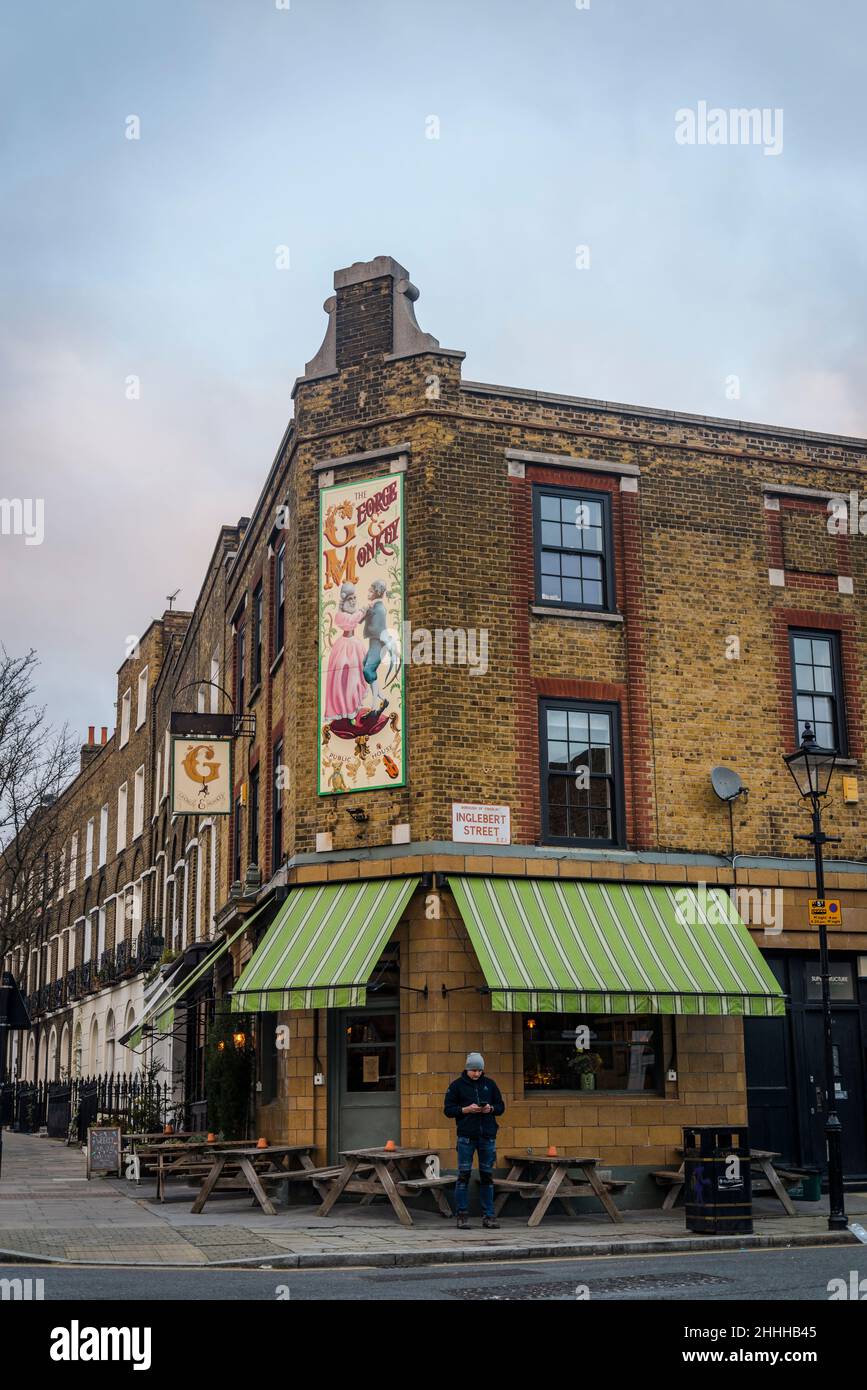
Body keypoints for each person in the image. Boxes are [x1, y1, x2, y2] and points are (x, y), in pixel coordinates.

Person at [443, 1051, 506, 1229]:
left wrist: (491, 1108)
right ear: (467, 1068)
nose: (476, 1074)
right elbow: (448, 1110)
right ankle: (462, 1215)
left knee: (487, 1176)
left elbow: (501, 1107)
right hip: (466, 1137)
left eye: (479, 1070)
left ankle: (489, 1216)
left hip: (487, 1136)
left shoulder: (490, 1084)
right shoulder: (456, 1086)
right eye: (473, 1070)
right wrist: (466, 1110)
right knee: (463, 1176)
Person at [324, 583, 368, 721]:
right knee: (344, 681)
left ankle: (354, 708)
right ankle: (346, 711)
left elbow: (358, 619)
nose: (354, 601)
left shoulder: (354, 614)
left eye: (355, 598)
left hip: (355, 645)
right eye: (350, 599)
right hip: (343, 648)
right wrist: (362, 611)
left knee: (357, 678)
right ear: (344, 601)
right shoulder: (340, 616)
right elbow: (350, 622)